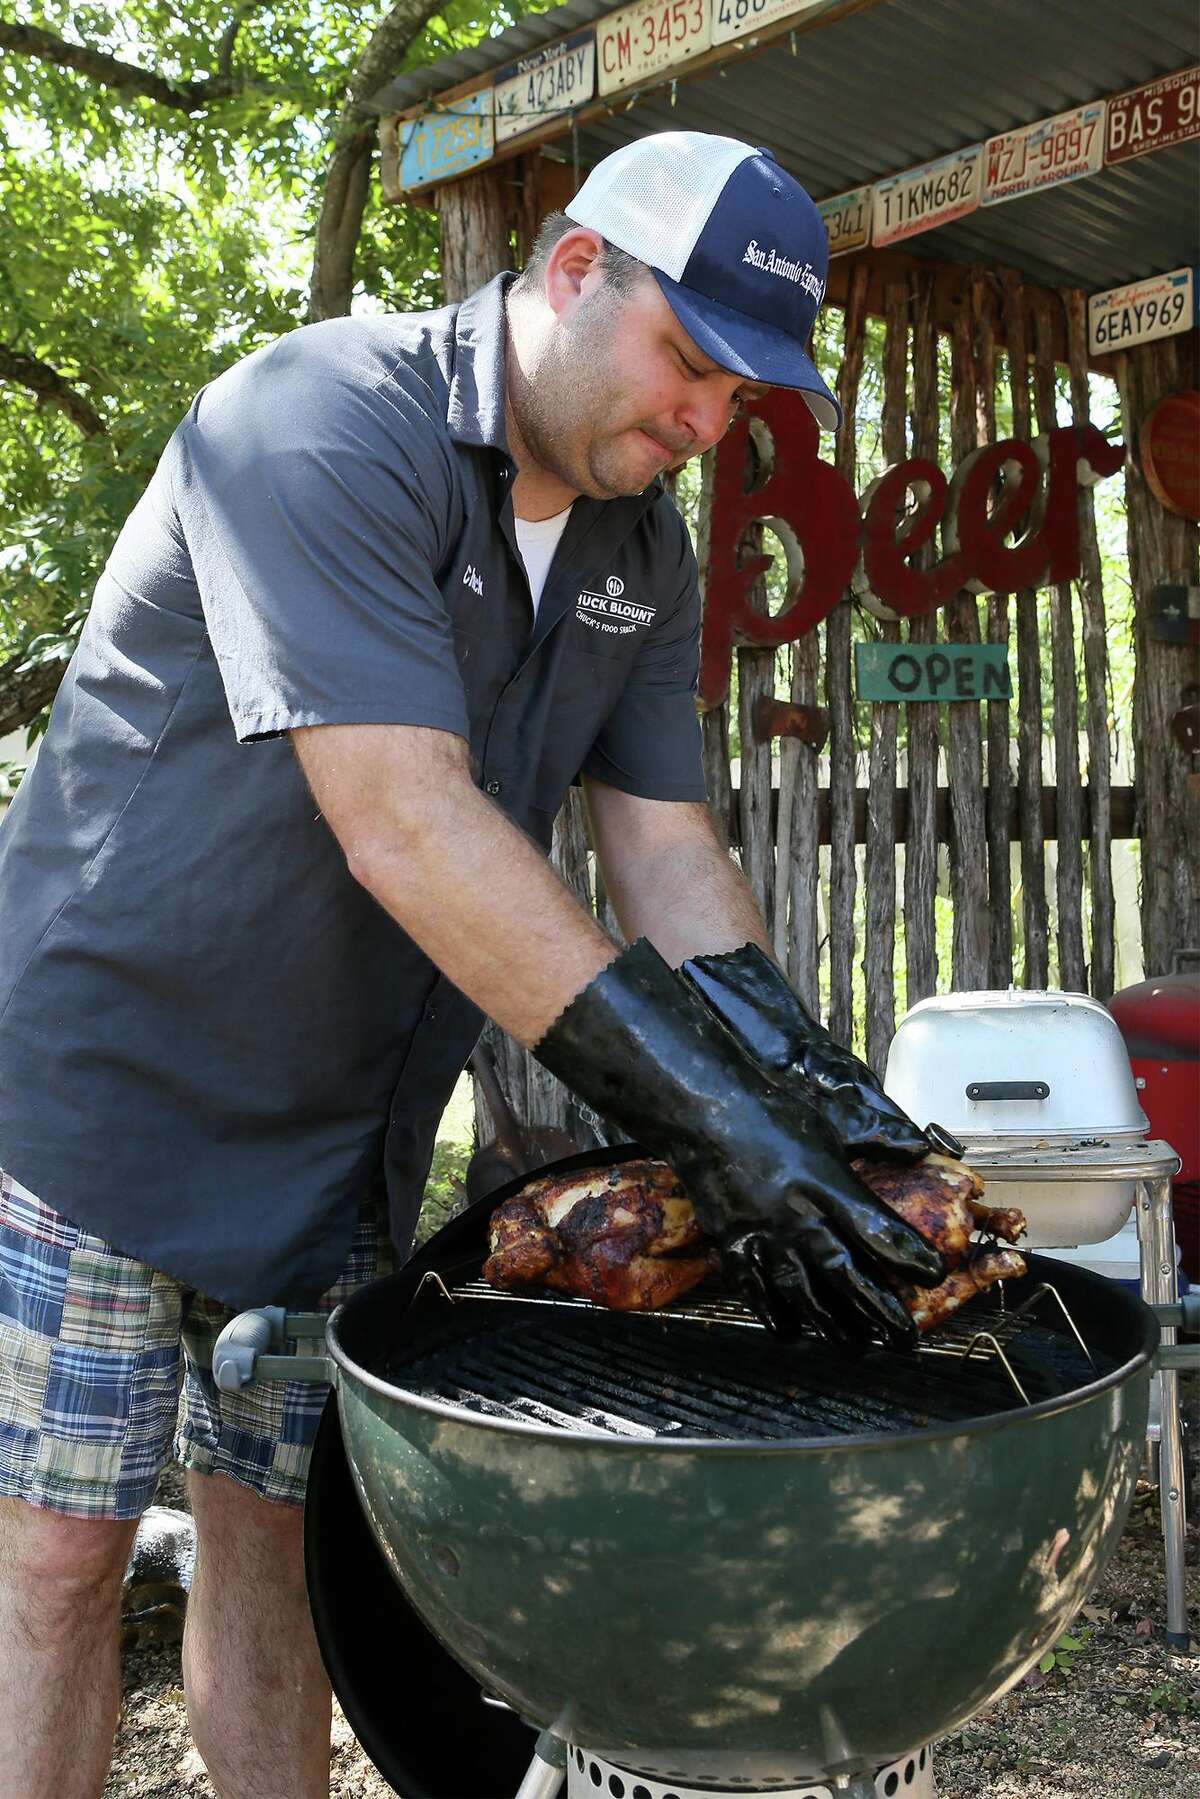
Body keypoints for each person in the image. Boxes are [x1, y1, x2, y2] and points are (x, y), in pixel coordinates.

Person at [0, 131, 946, 1798]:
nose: (707, 420)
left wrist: (815, 1104)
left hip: (340, 1134)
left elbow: (666, 852)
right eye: (689, 361)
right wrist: (713, 1122)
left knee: (275, 1552)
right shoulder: (317, 423)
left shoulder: (642, 550)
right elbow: (408, 824)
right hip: (104, 1094)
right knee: (60, 1563)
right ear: (575, 269)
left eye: (739, 393)